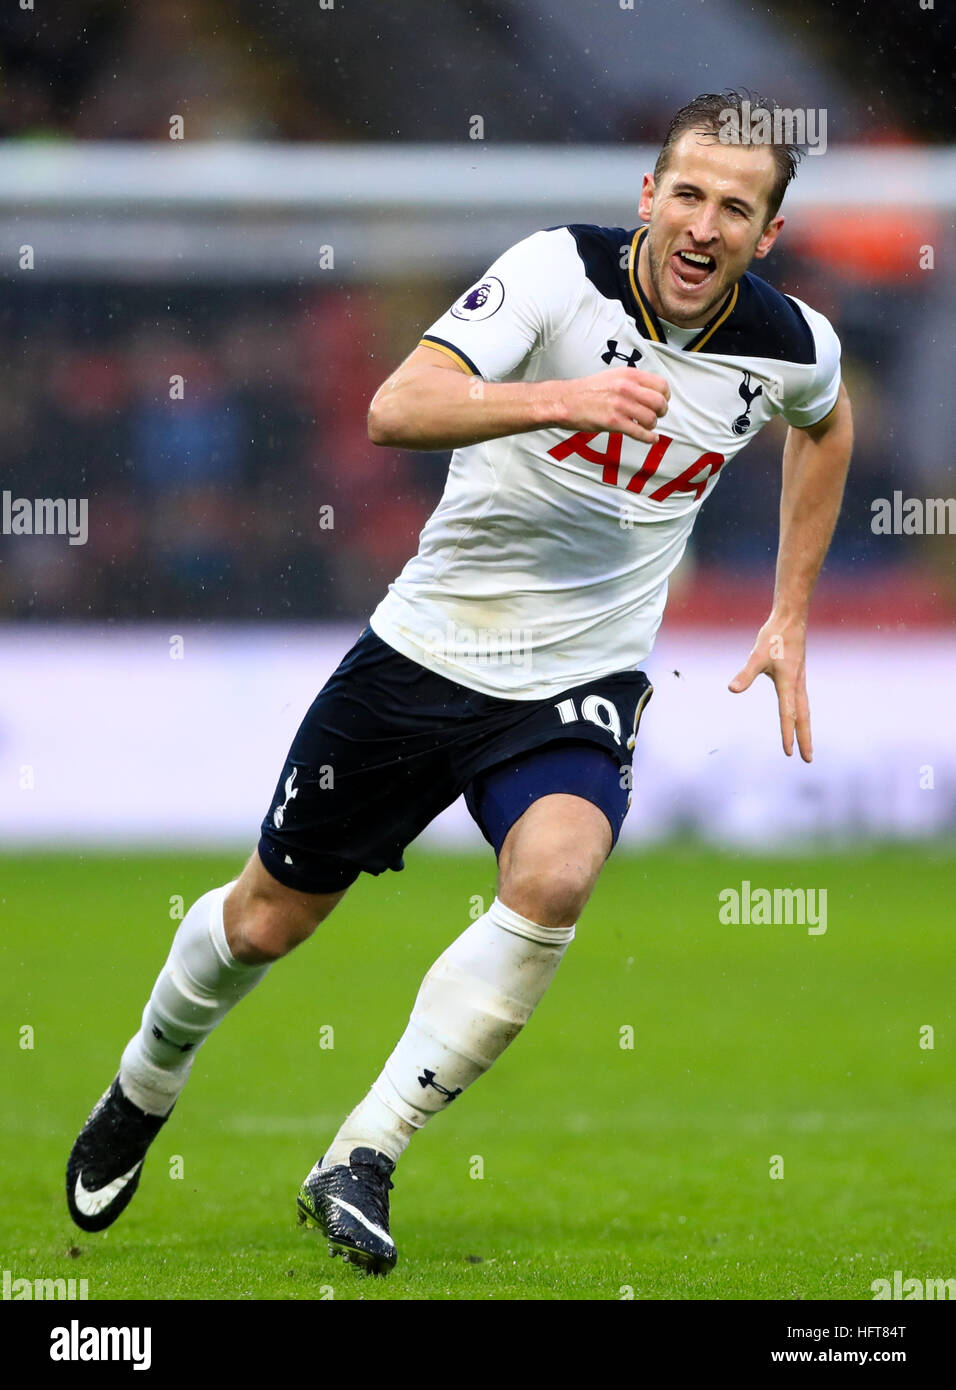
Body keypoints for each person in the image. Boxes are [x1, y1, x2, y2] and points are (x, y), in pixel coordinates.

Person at [67, 90, 854, 1276]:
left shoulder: (790, 343)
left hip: (578, 677)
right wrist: (560, 396)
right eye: (685, 193)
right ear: (647, 196)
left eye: (733, 208)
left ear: (765, 235)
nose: (702, 224)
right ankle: (146, 1078)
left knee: (557, 873)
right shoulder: (552, 272)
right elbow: (396, 407)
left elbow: (824, 424)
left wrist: (787, 608)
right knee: (266, 919)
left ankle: (363, 1153)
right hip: (422, 652)